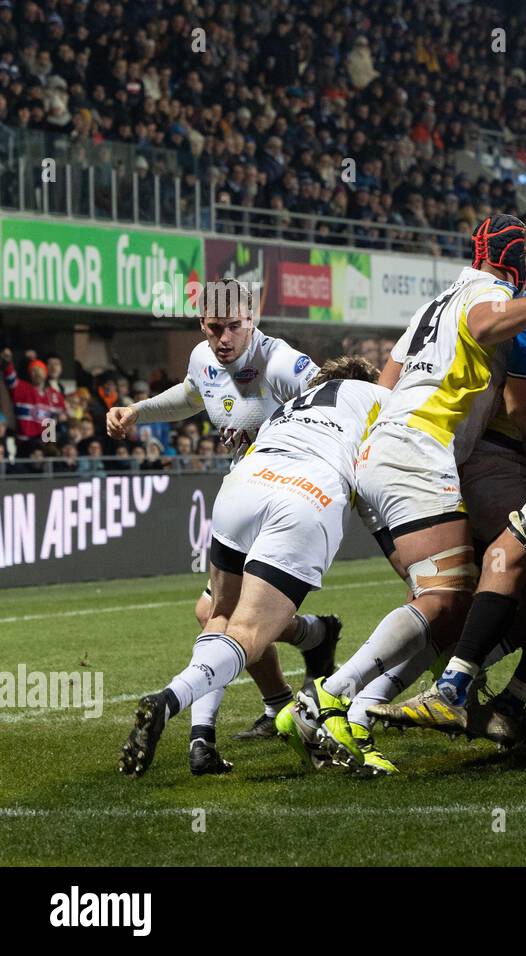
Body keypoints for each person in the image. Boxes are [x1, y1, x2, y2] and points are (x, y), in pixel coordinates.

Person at [286, 214, 526, 771]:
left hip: (382, 450)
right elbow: (485, 325)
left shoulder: (434, 302)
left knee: (462, 600)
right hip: (421, 449)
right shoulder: (488, 291)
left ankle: (362, 710)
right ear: (516, 261)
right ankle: (331, 695)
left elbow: (386, 381)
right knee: (449, 597)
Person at [107, 278, 342, 773]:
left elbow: (336, 399)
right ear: (202, 325)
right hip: (243, 498)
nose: (224, 339)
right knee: (218, 612)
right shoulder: (203, 358)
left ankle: (207, 734)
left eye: (234, 326)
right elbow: (193, 395)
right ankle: (306, 650)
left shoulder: (282, 364)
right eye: (215, 328)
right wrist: (139, 411)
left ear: (253, 318)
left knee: (220, 612)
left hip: (289, 502)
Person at [119, 358, 389, 779]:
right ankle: (172, 698)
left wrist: (138, 410)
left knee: (216, 614)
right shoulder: (377, 399)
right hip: (306, 493)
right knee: (247, 632)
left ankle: (202, 739)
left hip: (244, 483)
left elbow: (192, 394)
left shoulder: (293, 396)